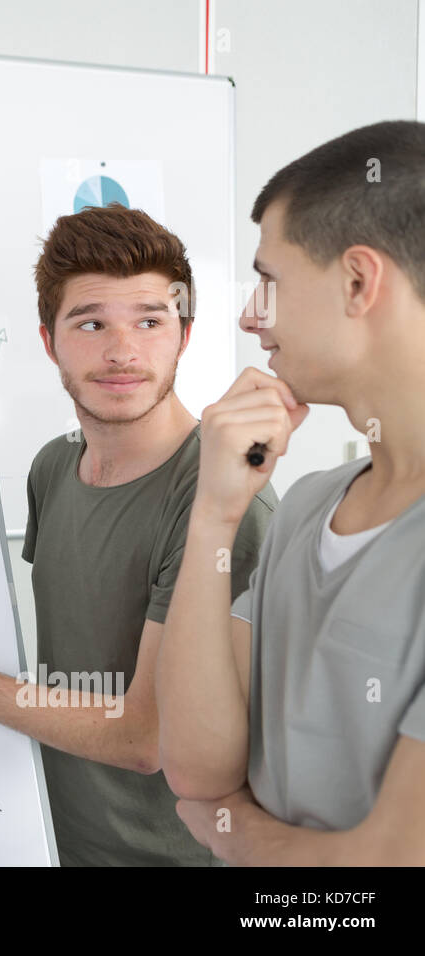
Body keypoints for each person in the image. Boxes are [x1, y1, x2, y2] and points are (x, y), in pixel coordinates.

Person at [0, 204, 277, 865]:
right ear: (49, 341)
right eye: (91, 323)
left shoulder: (223, 497)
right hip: (50, 839)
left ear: (184, 335)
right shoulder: (50, 468)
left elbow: (146, 736)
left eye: (149, 322)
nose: (122, 351)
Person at [157, 120, 425, 864]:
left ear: (358, 282)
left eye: (269, 282)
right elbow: (196, 769)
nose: (250, 316)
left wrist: (234, 831)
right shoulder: (307, 503)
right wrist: (213, 515)